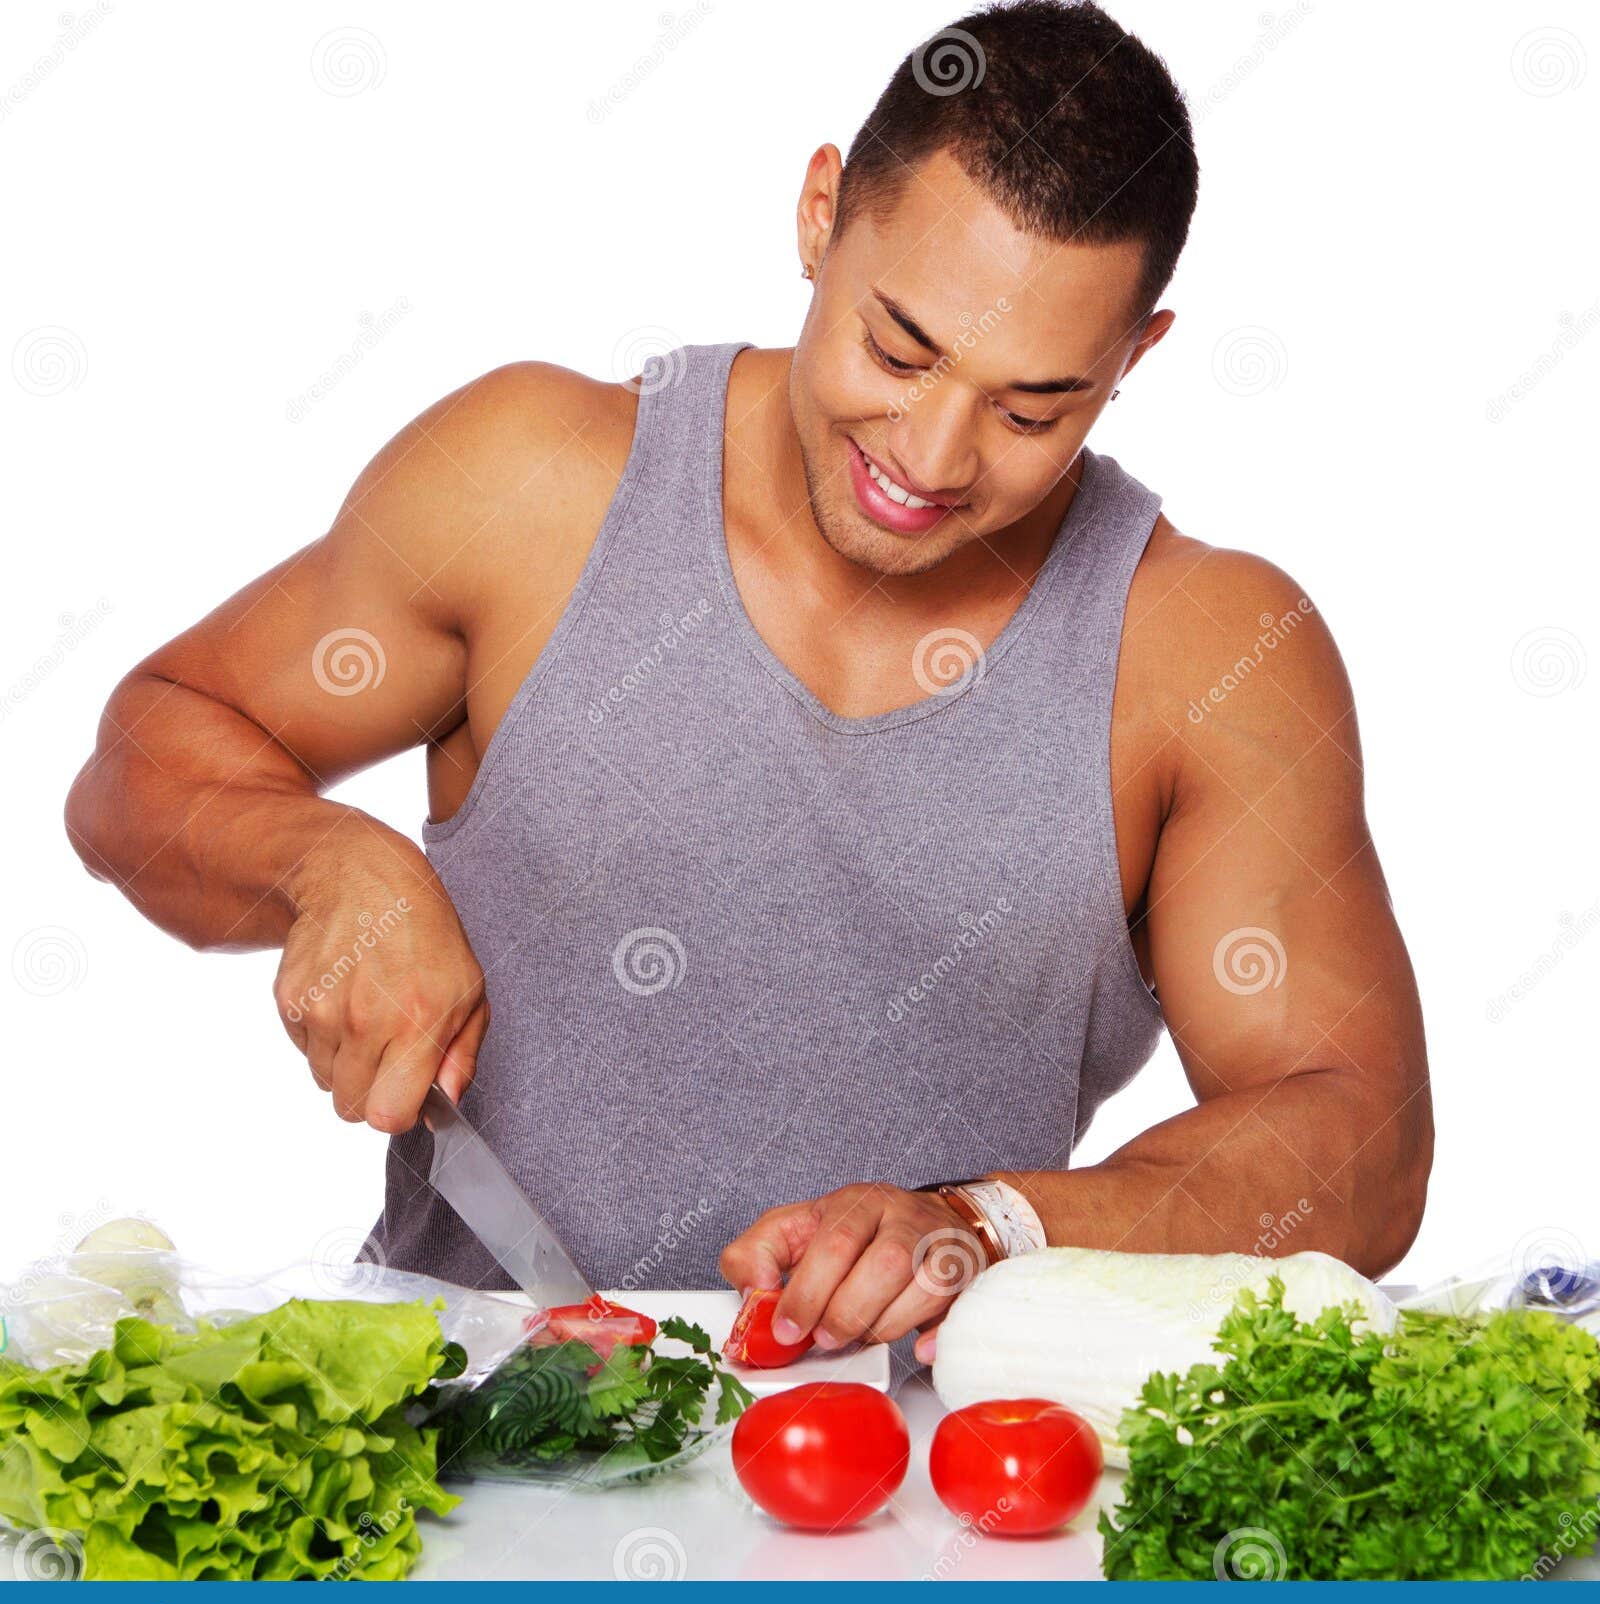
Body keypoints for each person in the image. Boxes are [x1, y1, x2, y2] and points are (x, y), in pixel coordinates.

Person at [65, 0, 1431, 1362]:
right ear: (820, 215)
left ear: (1135, 358)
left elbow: (1362, 1138)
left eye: (1032, 410)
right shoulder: (530, 483)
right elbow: (146, 756)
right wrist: (324, 863)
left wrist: (993, 1222)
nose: (932, 459)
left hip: (928, 1469)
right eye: (899, 351)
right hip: (472, 1441)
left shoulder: (1205, 648)